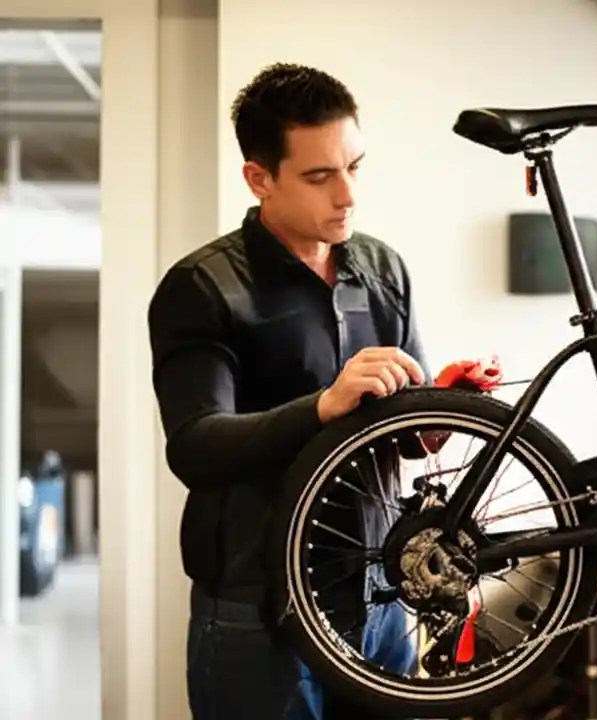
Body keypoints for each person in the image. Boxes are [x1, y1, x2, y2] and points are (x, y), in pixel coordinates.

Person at [147, 62, 500, 720]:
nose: (348, 195)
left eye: (355, 167)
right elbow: (194, 447)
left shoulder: (385, 269)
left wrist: (438, 408)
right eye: (320, 176)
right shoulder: (201, 288)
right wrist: (321, 405)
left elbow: (409, 437)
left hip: (379, 597)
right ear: (259, 178)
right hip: (256, 612)